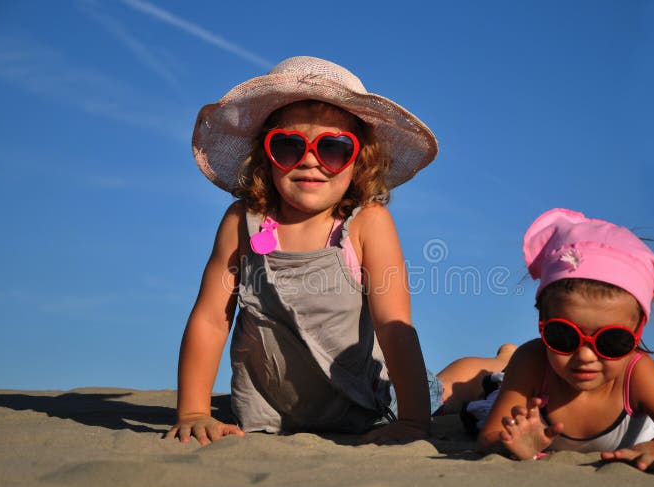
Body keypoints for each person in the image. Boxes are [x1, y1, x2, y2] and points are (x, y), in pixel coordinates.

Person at [165, 56, 446, 446]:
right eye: (288, 145)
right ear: (266, 156)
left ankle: (490, 367)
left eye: (332, 149)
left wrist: (414, 421)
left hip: (372, 403)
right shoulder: (242, 223)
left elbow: (393, 323)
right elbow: (212, 318)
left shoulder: (366, 223)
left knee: (449, 392)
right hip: (270, 413)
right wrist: (194, 411)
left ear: (358, 161)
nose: (310, 159)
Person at [475, 208, 654, 474]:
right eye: (564, 335)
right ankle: (503, 358)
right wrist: (514, 446)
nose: (586, 355)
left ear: (638, 332)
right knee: (479, 388)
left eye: (612, 341)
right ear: (542, 320)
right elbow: (489, 437)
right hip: (518, 380)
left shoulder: (636, 373)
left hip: (644, 427)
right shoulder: (533, 361)